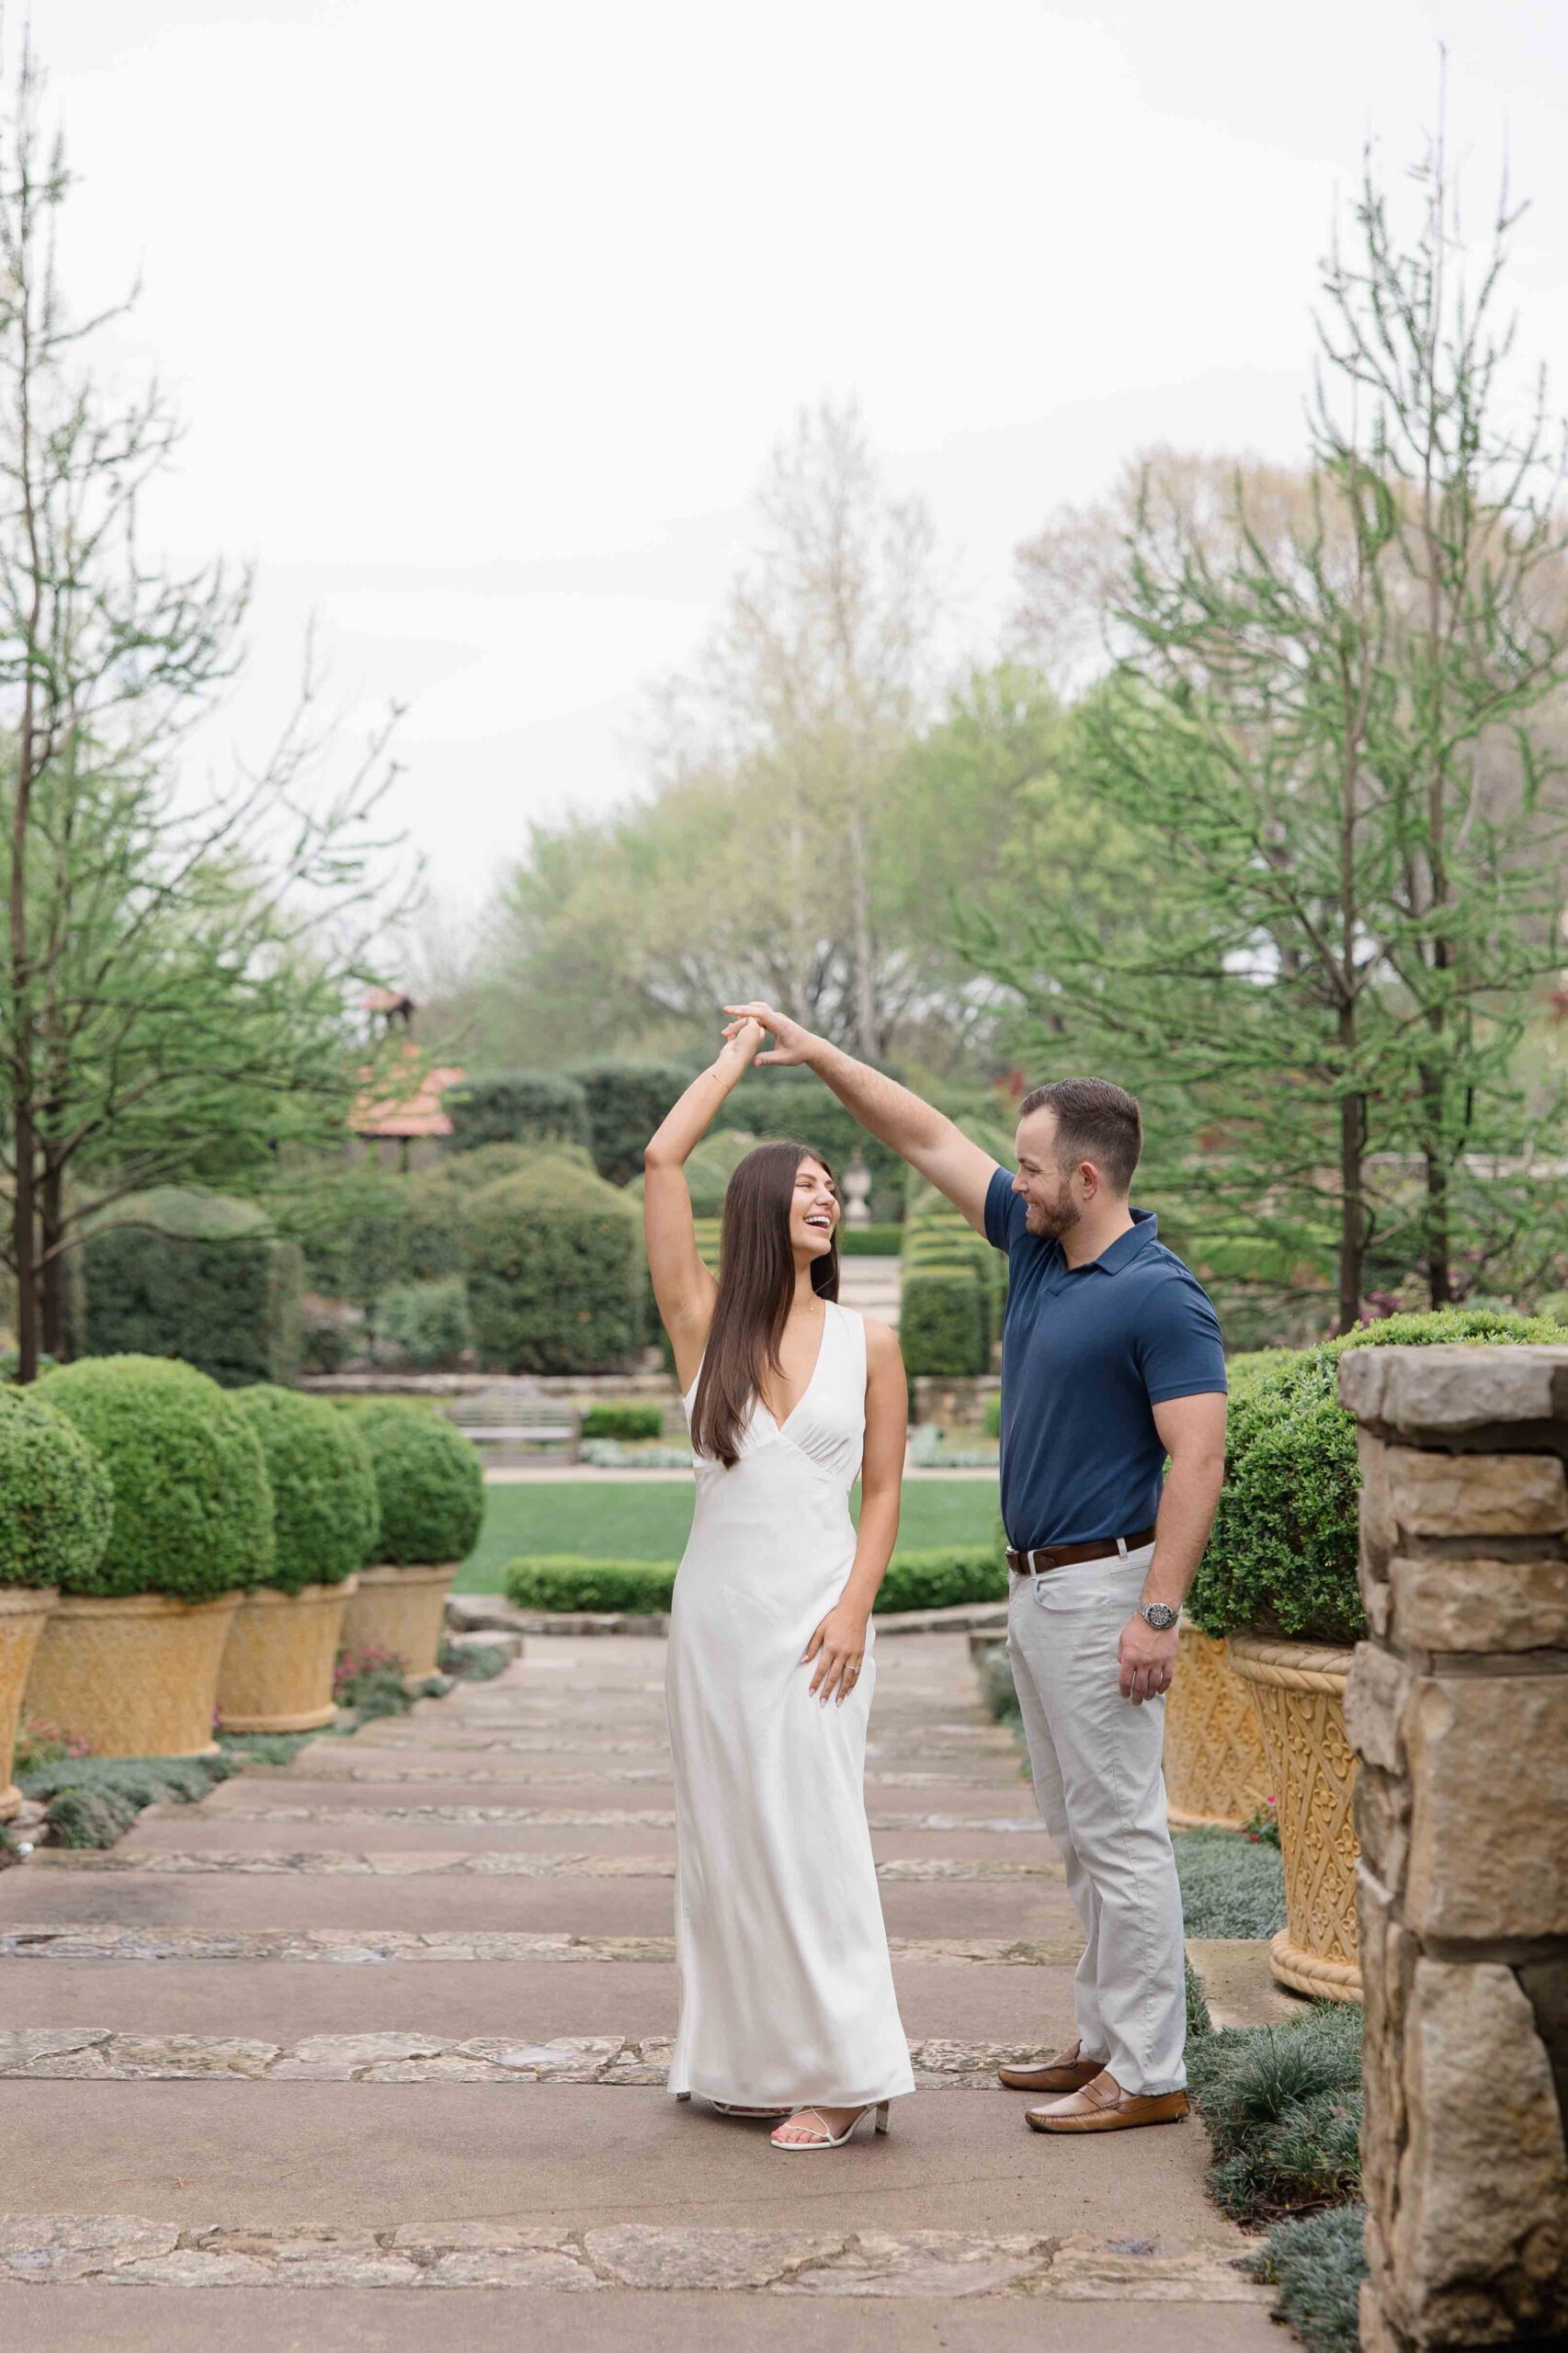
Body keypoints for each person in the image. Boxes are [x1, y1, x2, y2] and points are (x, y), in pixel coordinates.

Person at [723, 1004, 1228, 2137]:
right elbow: (923, 1137)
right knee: (1074, 1829)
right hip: (1038, 1587)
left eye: (1033, 1165)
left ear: (1086, 1177)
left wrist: (1159, 1609)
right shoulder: (1041, 1249)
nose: (1013, 1176)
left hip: (1107, 1590)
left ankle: (1149, 2070)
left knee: (1120, 1831)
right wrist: (817, 1050)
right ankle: (1102, 2039)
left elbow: (1199, 1452)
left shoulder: (1159, 1293)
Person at [642, 1015, 915, 2152]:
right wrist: (734, 1058)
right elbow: (661, 1160)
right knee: (729, 1846)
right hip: (713, 1627)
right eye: (802, 1183)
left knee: (816, 1836)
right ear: (758, 1206)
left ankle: (851, 2072)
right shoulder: (703, 1321)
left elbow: (886, 1494)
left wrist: (853, 1607)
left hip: (817, 1629)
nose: (824, 1196)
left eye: (829, 1184)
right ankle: (746, 2056)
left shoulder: (874, 1342)